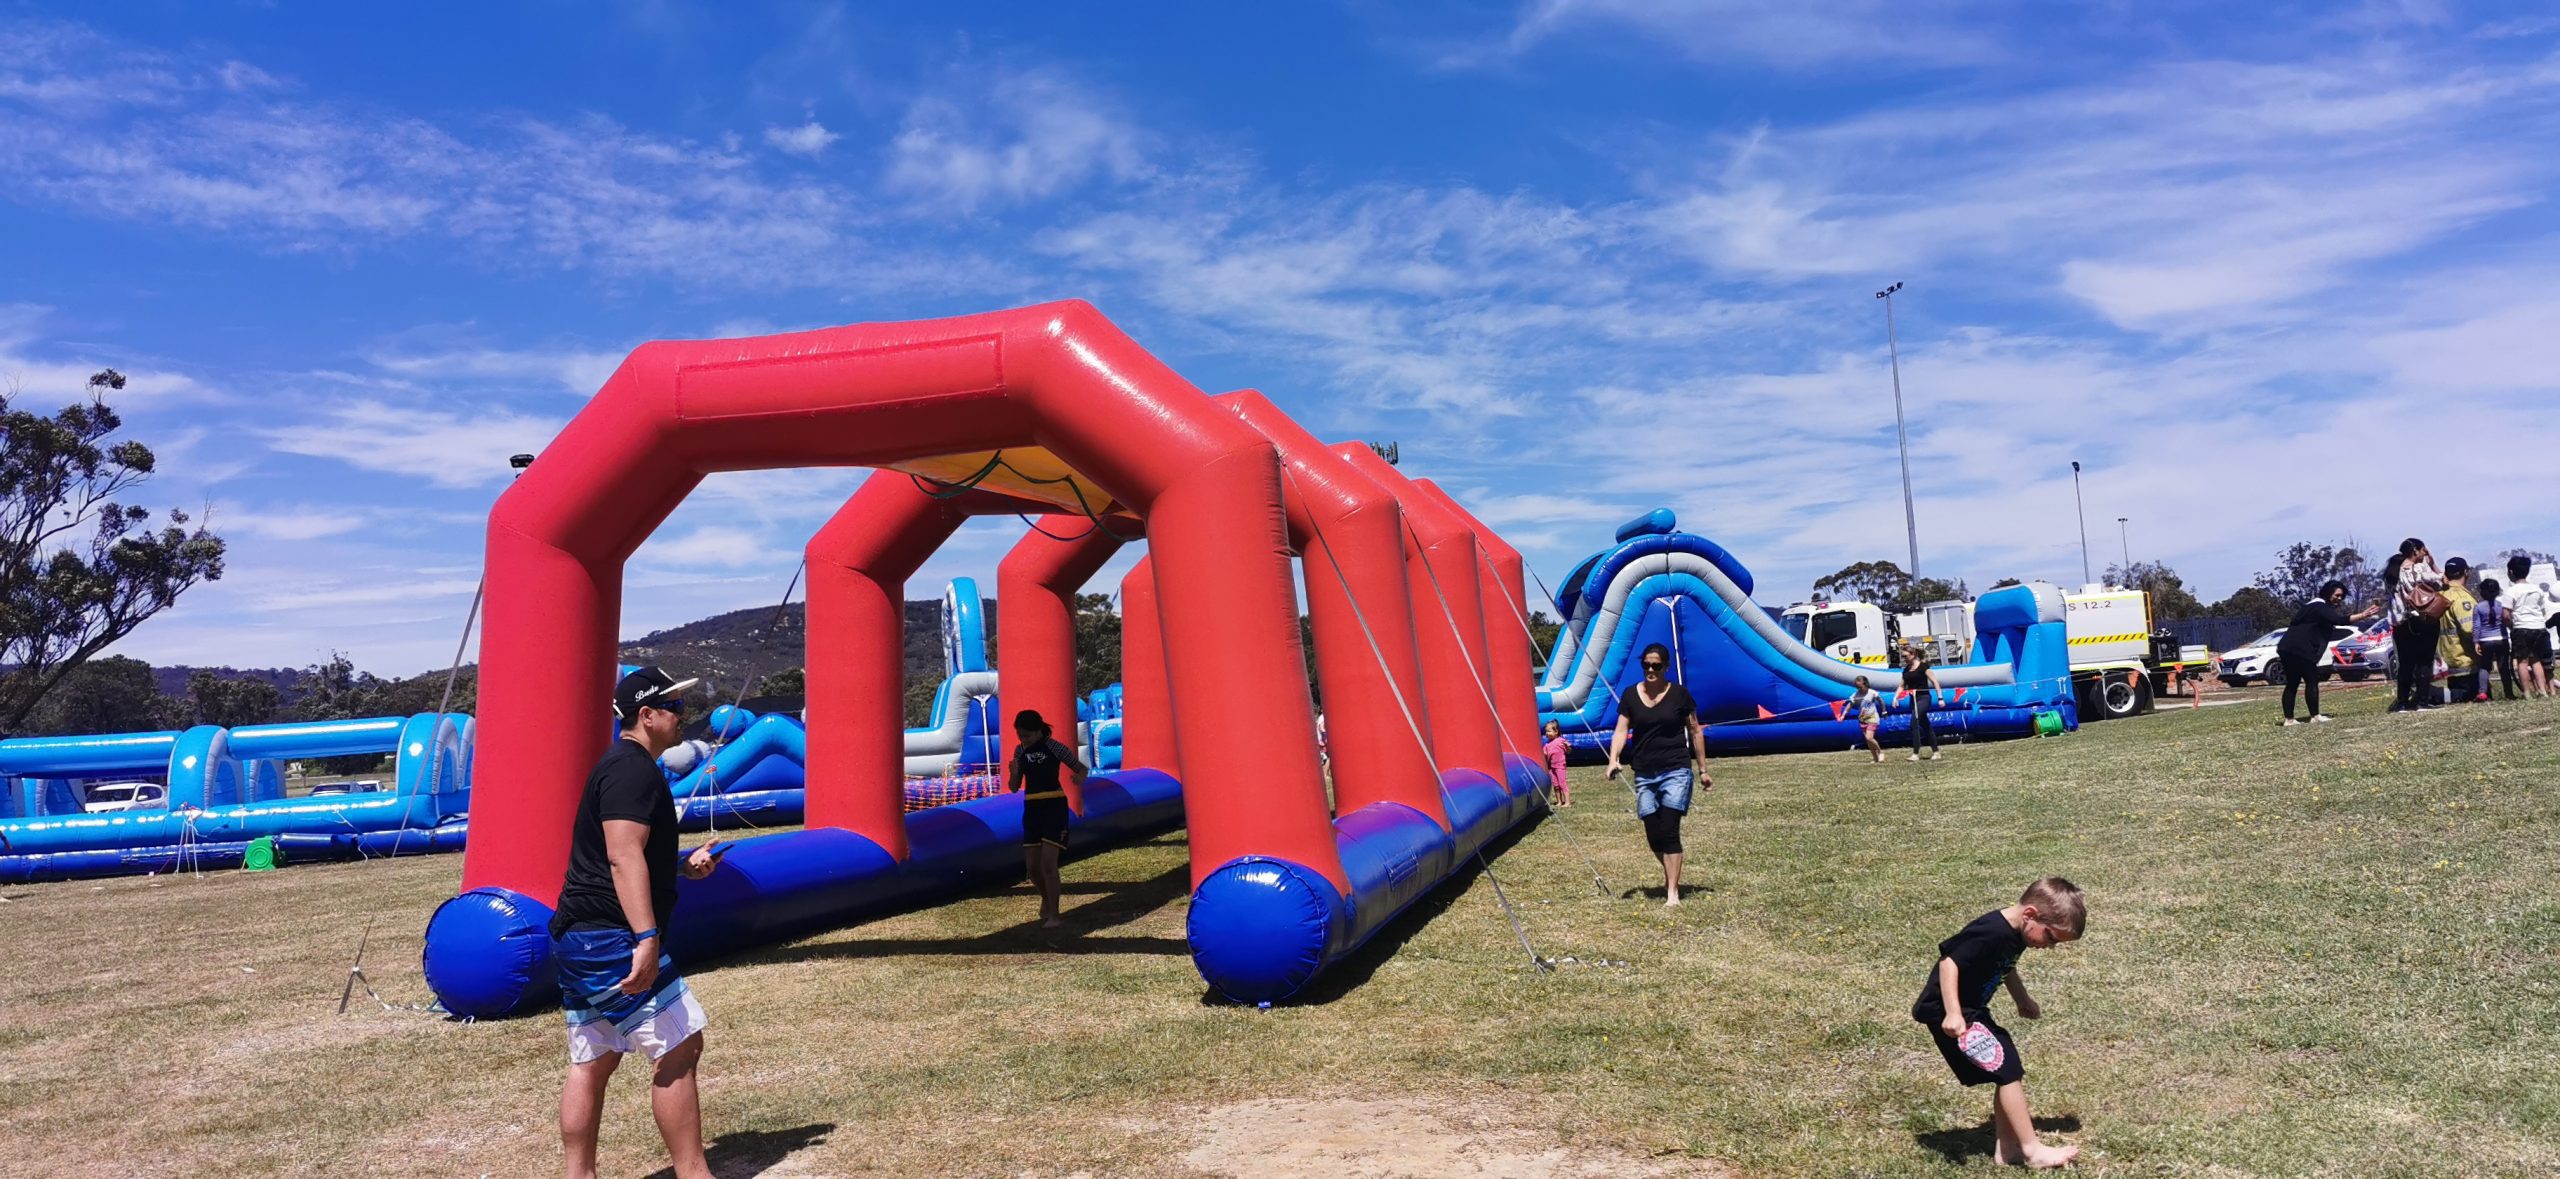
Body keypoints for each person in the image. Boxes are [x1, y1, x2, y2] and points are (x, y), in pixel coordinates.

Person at [552, 666, 722, 1179]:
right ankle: (695, 1174)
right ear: (646, 715)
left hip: (580, 935)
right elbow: (622, 857)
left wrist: (680, 866)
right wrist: (646, 937)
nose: (683, 718)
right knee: (679, 1044)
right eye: (675, 708)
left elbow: (632, 855)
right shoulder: (632, 770)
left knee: (595, 1058)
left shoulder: (623, 766)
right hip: (610, 936)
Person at [1912, 877, 2087, 1170]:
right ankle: (2032, 1151)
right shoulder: (1991, 931)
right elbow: (1949, 963)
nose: (2051, 946)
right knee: (2007, 1072)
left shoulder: (2015, 934)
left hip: (1973, 1010)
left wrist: (2022, 998)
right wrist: (1953, 1013)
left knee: (2008, 1069)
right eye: (2052, 937)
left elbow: (2005, 967)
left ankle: (2007, 1150)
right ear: (2030, 915)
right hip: (1951, 1012)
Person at [1604, 642, 1709, 906]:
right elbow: (1620, 730)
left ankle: (1672, 893)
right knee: (1654, 834)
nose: (1651, 670)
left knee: (1670, 830)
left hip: (1676, 768)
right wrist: (1613, 759)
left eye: (1656, 666)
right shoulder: (1630, 695)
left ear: (1666, 667)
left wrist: (1703, 770)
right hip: (1645, 771)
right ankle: (1669, 874)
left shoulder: (1680, 695)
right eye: (1646, 665)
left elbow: (1695, 731)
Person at [1007, 708, 1087, 929]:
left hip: (1054, 805)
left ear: (1038, 731)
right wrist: (1013, 772)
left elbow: (1081, 768)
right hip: (1032, 807)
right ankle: (1045, 897)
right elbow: (1014, 788)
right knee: (1032, 867)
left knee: (1048, 863)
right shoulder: (1019, 751)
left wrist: (1078, 777)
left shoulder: (1055, 747)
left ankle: (1054, 914)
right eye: (1020, 735)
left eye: (1027, 735)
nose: (1023, 740)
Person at [2277, 581, 2379, 725]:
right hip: (2302, 649)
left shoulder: (2308, 607)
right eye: (2337, 595)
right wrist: (2363, 615)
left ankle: (2289, 720)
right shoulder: (2320, 606)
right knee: (2311, 681)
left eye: (2341, 597)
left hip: (2286, 647)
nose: (2339, 599)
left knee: (2292, 683)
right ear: (2328, 592)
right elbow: (2339, 620)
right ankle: (2315, 716)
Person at [2387, 539, 2447, 712]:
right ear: (2415, 551)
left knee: (2405, 663)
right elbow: (2444, 582)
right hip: (2422, 620)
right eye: (2423, 550)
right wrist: (2433, 563)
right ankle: (2422, 701)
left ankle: (2402, 702)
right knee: (2424, 661)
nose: (2424, 553)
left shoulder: (2392, 572)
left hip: (2401, 623)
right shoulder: (2420, 568)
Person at [2504, 556, 2553, 700]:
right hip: (2539, 627)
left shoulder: (2511, 591)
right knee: (2536, 660)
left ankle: (2526, 692)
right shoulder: (2536, 589)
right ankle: (2542, 691)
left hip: (2521, 628)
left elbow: (2506, 614)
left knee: (2522, 661)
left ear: (2511, 572)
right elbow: (2543, 610)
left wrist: (2512, 626)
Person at [2437, 558, 2481, 703]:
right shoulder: (2462, 598)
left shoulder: (2440, 596)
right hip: (2465, 661)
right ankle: (2431, 695)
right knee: (2468, 696)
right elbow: (2469, 629)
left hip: (2449, 659)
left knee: (2455, 694)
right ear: (2466, 572)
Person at [2475, 580, 2519, 701]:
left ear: (2481, 592)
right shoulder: (2501, 606)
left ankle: (2482, 692)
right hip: (2501, 639)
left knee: (2484, 666)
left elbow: (2477, 626)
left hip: (2485, 640)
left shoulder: (2478, 607)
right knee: (2504, 667)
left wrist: (2476, 642)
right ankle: (2509, 693)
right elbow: (2507, 620)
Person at [1902, 647, 1945, 761]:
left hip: (1924, 698)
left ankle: (1915, 753)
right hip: (1913, 699)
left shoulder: (1923, 667)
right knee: (1926, 726)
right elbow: (1901, 685)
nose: (1904, 658)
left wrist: (1940, 698)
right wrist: (1895, 698)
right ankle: (1936, 752)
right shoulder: (1906, 670)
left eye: (1905, 656)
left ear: (1913, 655)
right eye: (1903, 656)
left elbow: (1935, 682)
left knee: (1914, 722)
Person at [1851, 675, 1885, 764]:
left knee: (1869, 737)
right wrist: (1843, 715)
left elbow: (1880, 700)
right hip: (1862, 719)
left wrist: (1884, 711)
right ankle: (1875, 758)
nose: (1856, 682)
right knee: (1868, 741)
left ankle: (1880, 752)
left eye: (1858, 681)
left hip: (1872, 718)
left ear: (1864, 682)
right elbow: (1850, 704)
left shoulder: (1872, 692)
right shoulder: (1856, 694)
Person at [1541, 719, 1572, 807]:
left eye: (1549, 731)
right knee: (1556, 785)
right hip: (1552, 767)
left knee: (1562, 783)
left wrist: (1567, 747)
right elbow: (1545, 755)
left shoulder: (1561, 740)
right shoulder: (1547, 744)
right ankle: (1559, 801)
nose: (1547, 733)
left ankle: (1567, 802)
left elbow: (1569, 751)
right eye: (1546, 731)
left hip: (1560, 765)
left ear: (1556, 731)